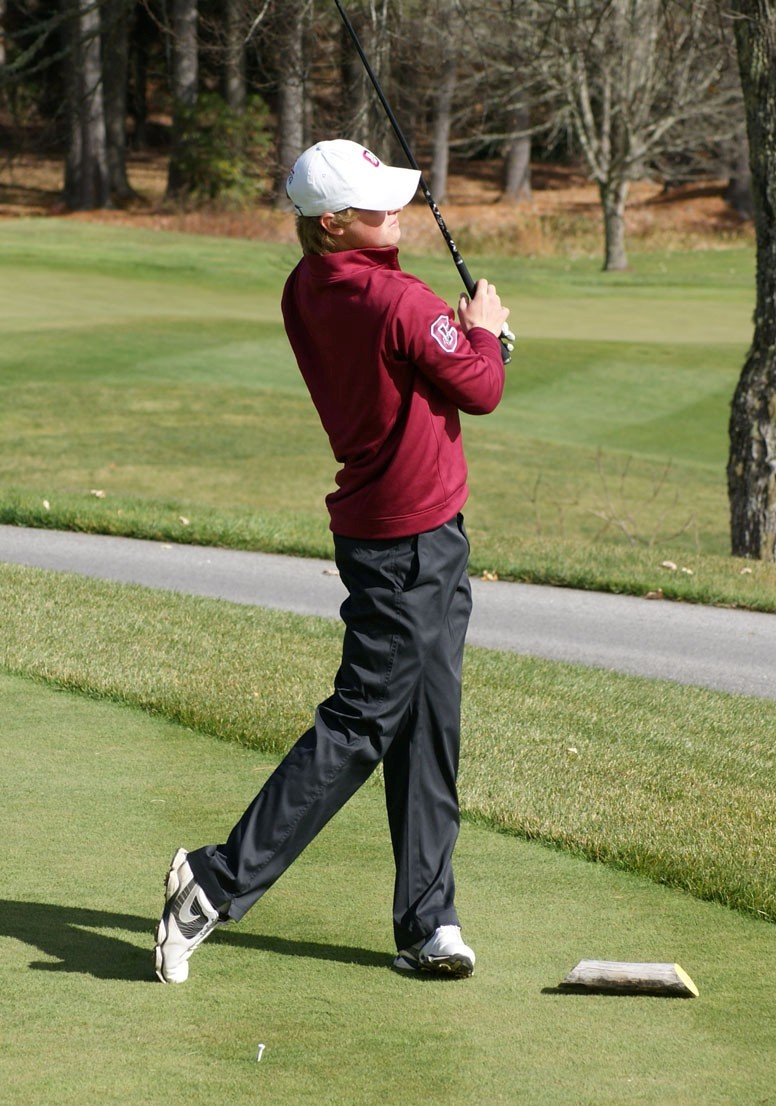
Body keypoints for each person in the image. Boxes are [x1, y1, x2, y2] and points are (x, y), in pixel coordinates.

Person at [153, 138, 510, 984]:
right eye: (379, 205)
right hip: (410, 544)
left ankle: (427, 921)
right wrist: (489, 335)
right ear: (333, 222)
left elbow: (419, 363)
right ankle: (212, 880)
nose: (398, 213)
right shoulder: (395, 298)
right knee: (360, 725)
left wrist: (457, 337)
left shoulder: (305, 287)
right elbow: (482, 388)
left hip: (394, 533)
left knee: (429, 724)